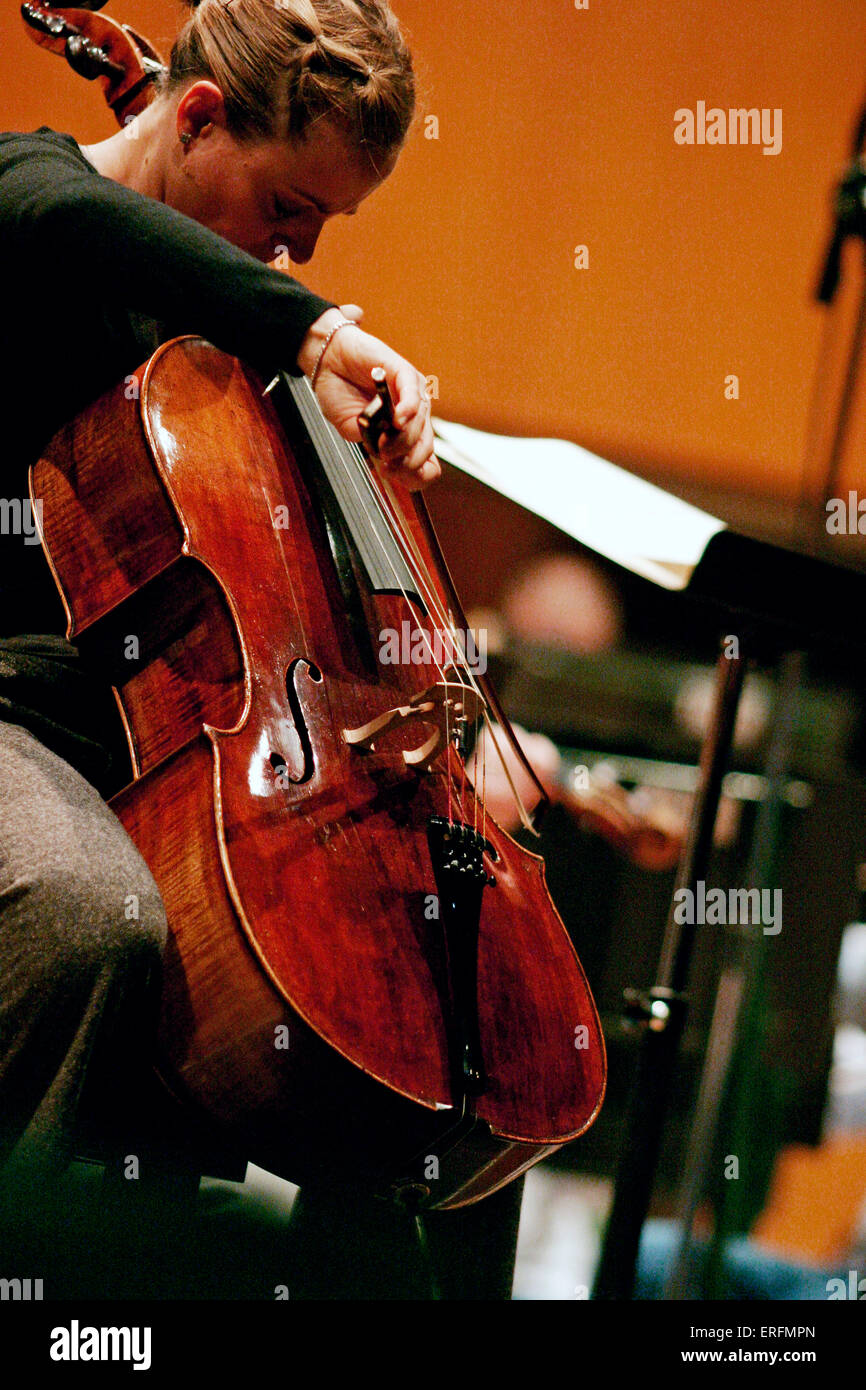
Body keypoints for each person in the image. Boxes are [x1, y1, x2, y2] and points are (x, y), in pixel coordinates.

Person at [0, 0, 523, 1298]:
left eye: (323, 231)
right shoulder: (35, 193)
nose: (296, 248)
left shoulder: (227, 325)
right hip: (14, 712)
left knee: (431, 1012)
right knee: (91, 915)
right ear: (192, 116)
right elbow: (60, 214)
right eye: (289, 205)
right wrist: (316, 327)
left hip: (153, 745)